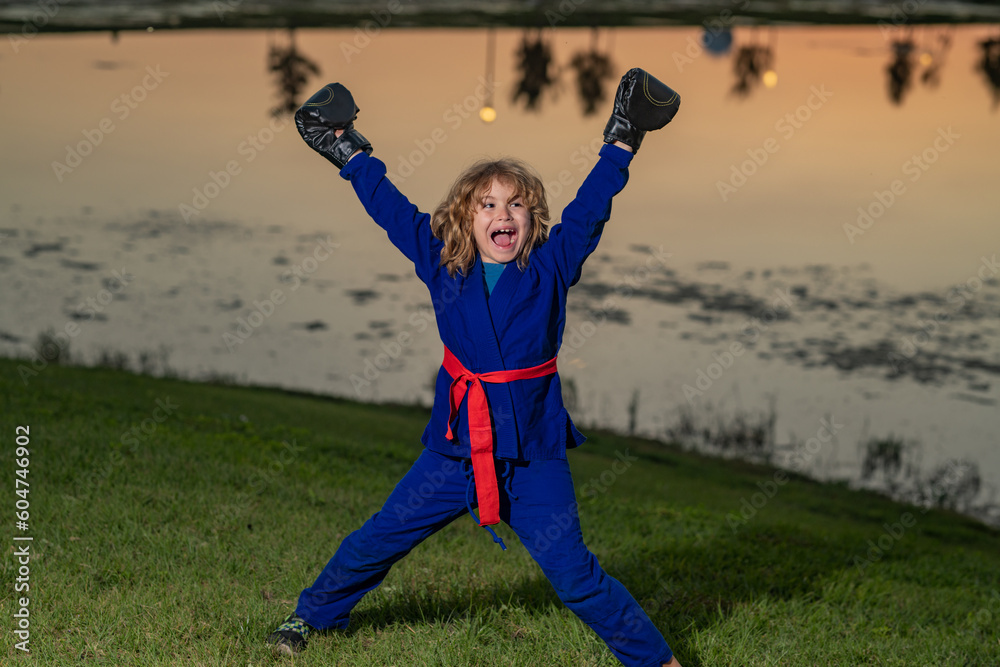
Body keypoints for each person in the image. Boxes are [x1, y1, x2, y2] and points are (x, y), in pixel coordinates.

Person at [268, 68, 682, 667]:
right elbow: (390, 209)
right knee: (379, 539)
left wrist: (621, 141)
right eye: (487, 205)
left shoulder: (553, 265)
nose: (503, 215)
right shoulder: (442, 263)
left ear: (532, 217)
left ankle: (657, 661)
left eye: (516, 204)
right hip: (455, 447)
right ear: (466, 217)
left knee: (577, 578)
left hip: (534, 455)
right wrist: (346, 150)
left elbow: (591, 208)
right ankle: (311, 613)